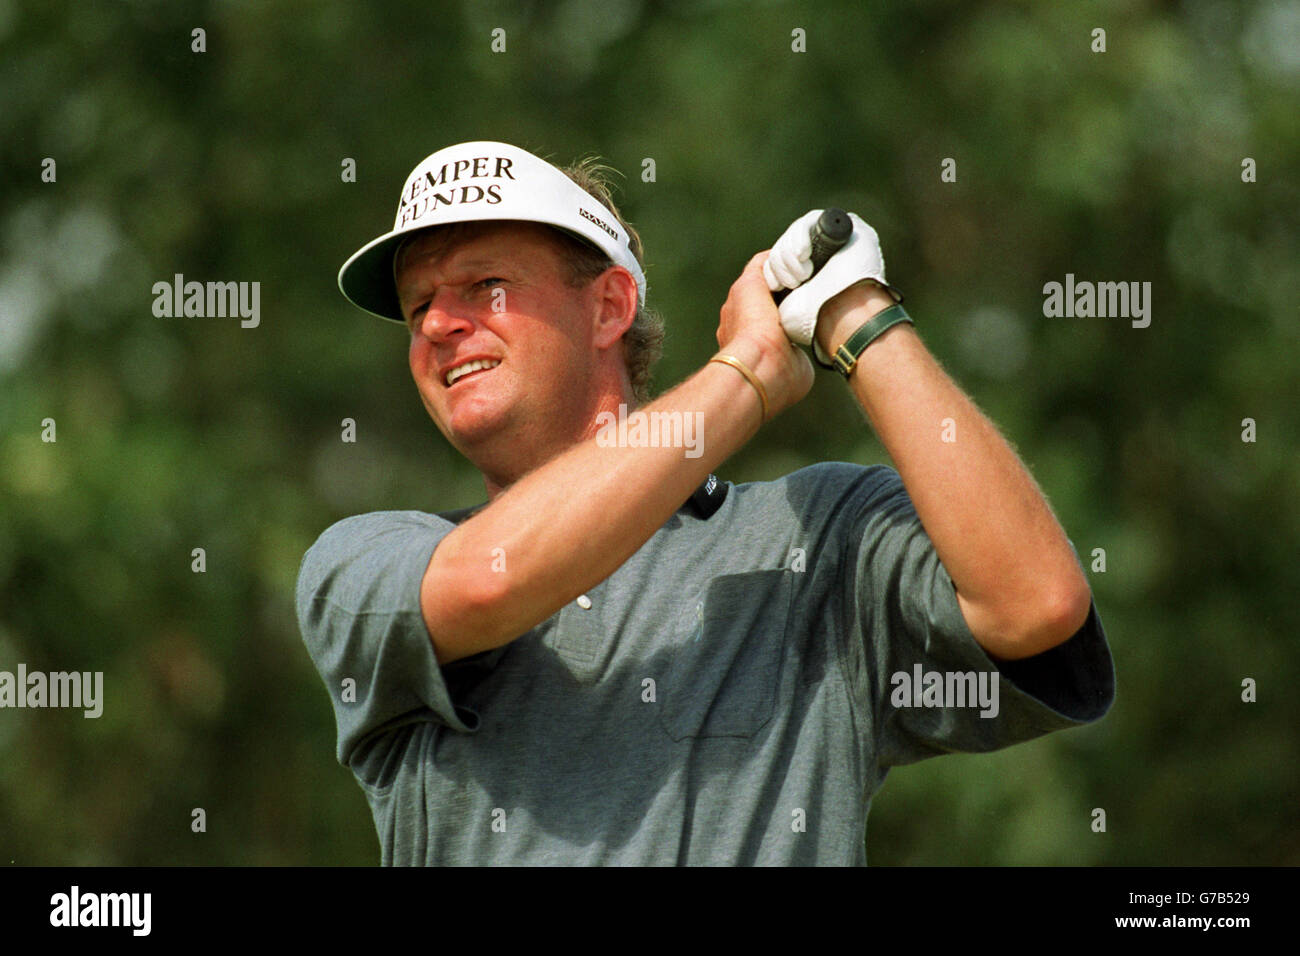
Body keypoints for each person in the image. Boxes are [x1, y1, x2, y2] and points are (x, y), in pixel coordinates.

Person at [295, 140, 1115, 865]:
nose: (439, 322)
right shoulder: (362, 563)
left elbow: (1037, 604)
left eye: (484, 285)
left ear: (610, 307)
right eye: (418, 307)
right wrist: (751, 374)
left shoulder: (814, 536)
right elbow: (492, 581)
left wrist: (860, 316)